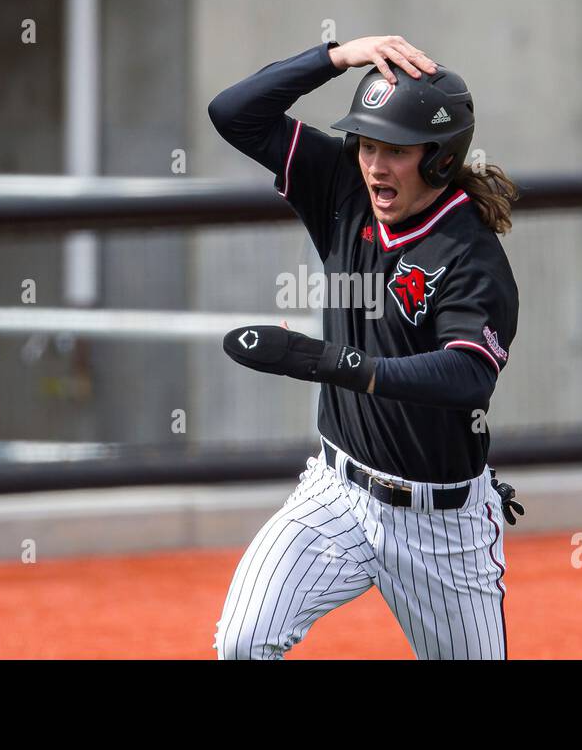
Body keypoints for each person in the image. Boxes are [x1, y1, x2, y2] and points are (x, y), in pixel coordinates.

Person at [208, 35, 522, 659]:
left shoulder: (471, 256)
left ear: (438, 159)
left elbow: (467, 376)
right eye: (368, 144)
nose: (376, 165)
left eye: (396, 151)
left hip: (444, 527)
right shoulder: (342, 189)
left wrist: (335, 364)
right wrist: (336, 56)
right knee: (242, 642)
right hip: (335, 493)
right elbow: (232, 113)